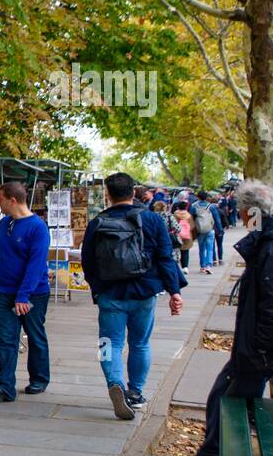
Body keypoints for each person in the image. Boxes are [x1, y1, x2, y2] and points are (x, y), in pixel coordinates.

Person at [178, 181, 273, 456]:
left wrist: (260, 350)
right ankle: (211, 454)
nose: (241, 217)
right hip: (264, 346)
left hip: (263, 349)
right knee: (222, 394)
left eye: (241, 211)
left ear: (252, 213)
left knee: (227, 399)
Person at [81, 172, 186, 420]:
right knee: (140, 343)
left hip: (110, 294)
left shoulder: (97, 223)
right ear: (134, 192)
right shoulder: (152, 220)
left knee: (108, 344)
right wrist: (174, 292)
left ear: (108, 194)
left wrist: (97, 288)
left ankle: (114, 383)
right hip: (145, 293)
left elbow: (87, 262)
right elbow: (165, 258)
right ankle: (136, 393)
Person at [0, 181, 51, 402]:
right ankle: (5, 386)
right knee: (6, 339)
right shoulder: (5, 224)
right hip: (3, 291)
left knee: (35, 335)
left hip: (32, 293)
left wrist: (23, 295)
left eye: (0, 199)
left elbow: (36, 264)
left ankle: (39, 378)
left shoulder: (38, 227)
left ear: (12, 200)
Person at [191, 190, 218, 273]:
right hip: (210, 229)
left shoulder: (194, 206)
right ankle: (209, 265)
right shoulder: (211, 206)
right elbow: (216, 218)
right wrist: (219, 229)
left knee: (202, 249)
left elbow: (191, 217)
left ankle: (202, 266)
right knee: (210, 248)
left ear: (198, 197)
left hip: (200, 230)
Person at [172, 200, 194, 273]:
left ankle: (176, 267)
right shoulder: (189, 216)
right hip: (187, 236)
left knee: (176, 252)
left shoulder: (174, 215)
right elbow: (192, 226)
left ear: (178, 207)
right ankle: (185, 267)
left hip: (176, 236)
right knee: (185, 252)